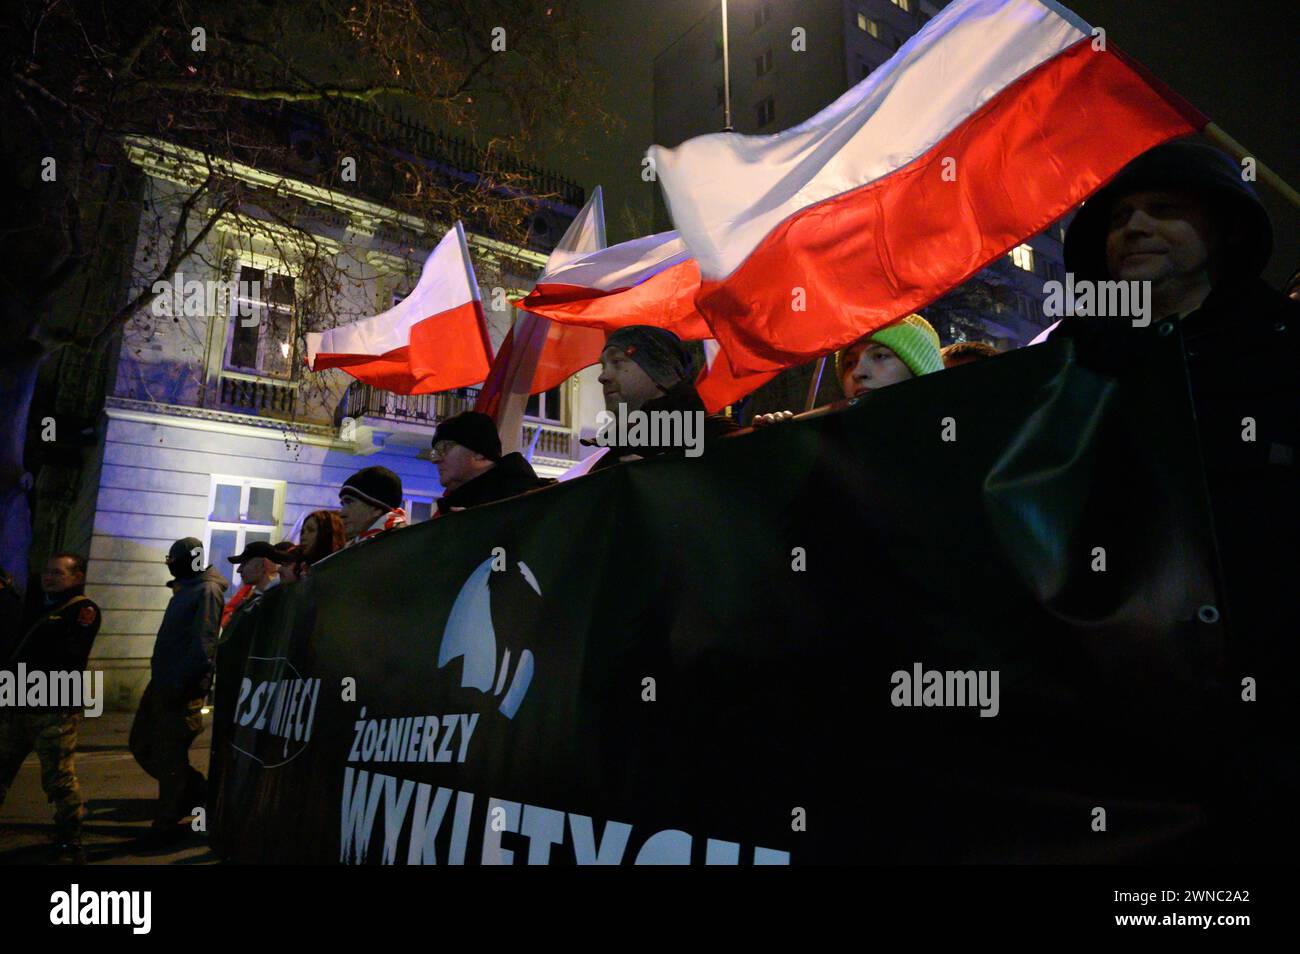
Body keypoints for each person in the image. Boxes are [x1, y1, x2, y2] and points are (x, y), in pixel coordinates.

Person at [1048, 136, 1299, 858]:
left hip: (1266, 722)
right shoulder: (1064, 372)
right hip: (1106, 721)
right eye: (1121, 215)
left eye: (1164, 209)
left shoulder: (1285, 353)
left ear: (1221, 230)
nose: (1135, 228)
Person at [0, 553, 100, 862]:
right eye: (47, 572)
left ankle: (70, 839)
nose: (49, 577)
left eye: (58, 573)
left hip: (53, 707)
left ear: (77, 577)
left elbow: (70, 656)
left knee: (59, 779)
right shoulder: (39, 605)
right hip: (19, 704)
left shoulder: (83, 610)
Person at [129, 537, 226, 846]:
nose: (169, 564)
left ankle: (166, 824)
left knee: (170, 757)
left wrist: (182, 685)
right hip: (163, 683)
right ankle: (197, 792)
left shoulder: (206, 590)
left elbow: (203, 644)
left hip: (179, 688)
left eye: (173, 559)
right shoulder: (189, 588)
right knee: (142, 745)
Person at [753, 313, 945, 426]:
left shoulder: (953, 445)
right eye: (849, 363)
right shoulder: (831, 451)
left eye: (880, 356)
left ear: (920, 369)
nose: (858, 372)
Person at [590, 325, 738, 470]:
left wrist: (663, 482)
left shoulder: (718, 440)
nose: (603, 376)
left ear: (659, 370)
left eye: (617, 362)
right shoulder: (607, 461)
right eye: (603, 366)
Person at [430, 411, 554, 515]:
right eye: (435, 452)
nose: (435, 460)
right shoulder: (466, 505)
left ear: (479, 453)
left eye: (444, 448)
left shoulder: (531, 501)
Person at [337, 466, 407, 548]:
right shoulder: (369, 544)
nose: (341, 513)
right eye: (343, 504)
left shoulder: (396, 546)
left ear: (377, 508)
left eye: (349, 502)